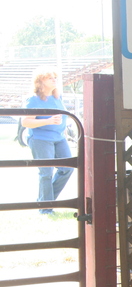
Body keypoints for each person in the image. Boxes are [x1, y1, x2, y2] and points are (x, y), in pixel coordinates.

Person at [21, 68, 74, 215]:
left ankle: (45, 200)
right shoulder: (33, 99)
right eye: (50, 77)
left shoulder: (57, 97)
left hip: (59, 138)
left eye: (55, 77)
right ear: (40, 81)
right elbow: (25, 122)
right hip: (40, 139)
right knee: (46, 172)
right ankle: (45, 208)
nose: (54, 80)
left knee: (68, 168)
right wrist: (48, 121)